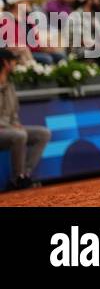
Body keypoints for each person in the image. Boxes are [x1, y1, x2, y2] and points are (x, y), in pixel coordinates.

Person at [0, 47, 51, 190]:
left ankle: (24, 175)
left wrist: (15, 123)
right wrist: (9, 126)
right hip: (3, 129)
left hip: (8, 129)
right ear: (4, 63)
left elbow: (14, 112)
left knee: (43, 133)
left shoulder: (9, 85)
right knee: (19, 135)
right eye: (13, 61)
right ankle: (17, 178)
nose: (15, 64)